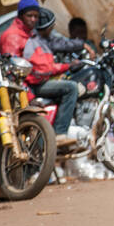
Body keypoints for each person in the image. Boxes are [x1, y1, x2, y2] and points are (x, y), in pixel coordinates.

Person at [22, 8, 79, 145]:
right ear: (45, 27)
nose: (52, 30)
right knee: (71, 87)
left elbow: (64, 44)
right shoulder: (34, 41)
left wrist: (83, 45)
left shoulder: (44, 40)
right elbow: (43, 69)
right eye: (51, 27)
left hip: (38, 82)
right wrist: (68, 66)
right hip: (34, 85)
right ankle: (59, 133)